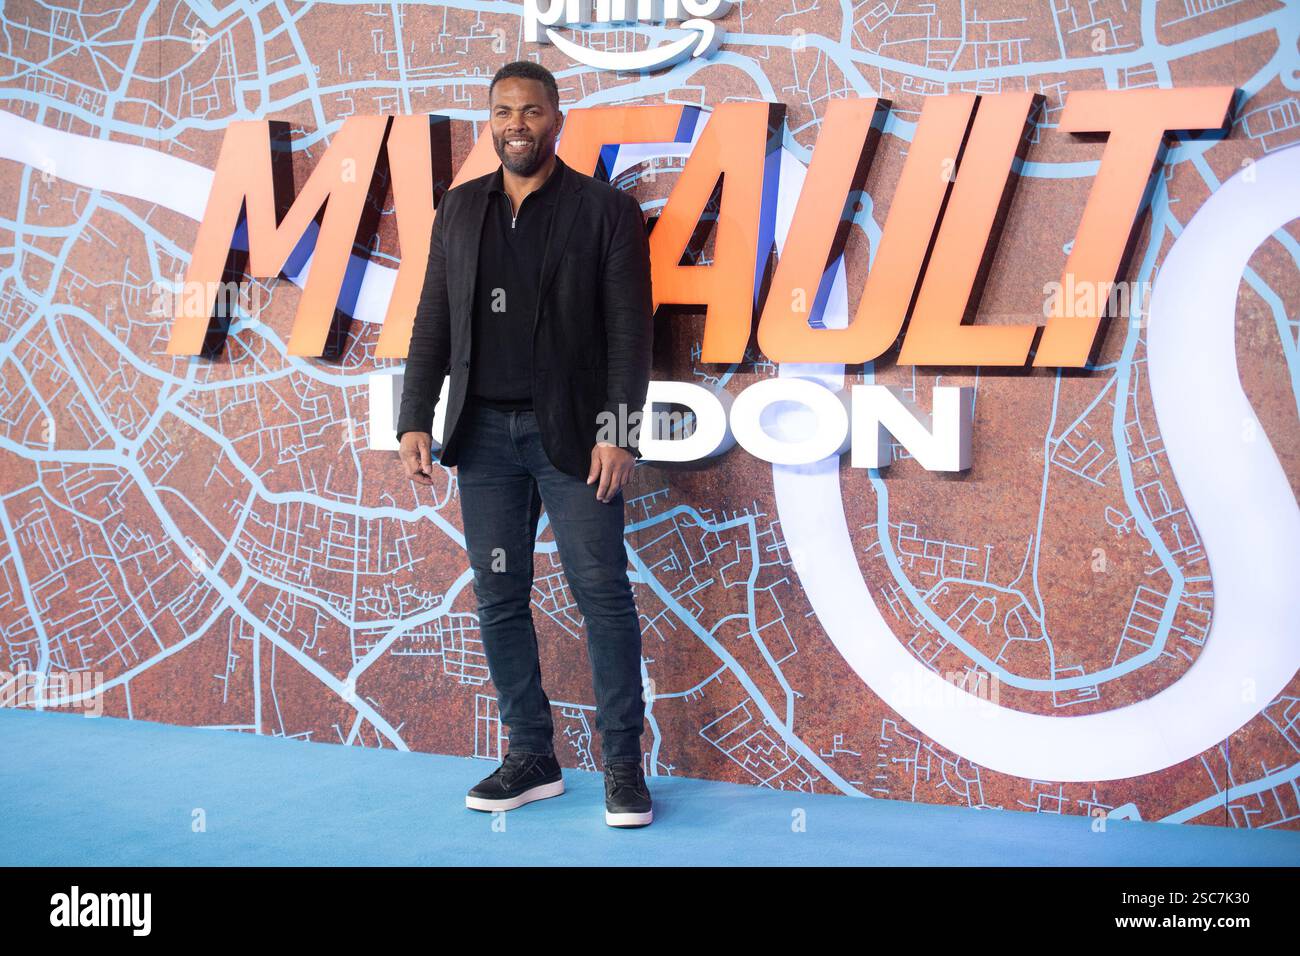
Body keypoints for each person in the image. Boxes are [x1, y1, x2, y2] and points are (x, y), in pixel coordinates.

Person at [395, 61, 655, 827]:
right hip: (482, 441)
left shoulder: (605, 212)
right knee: (500, 597)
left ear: (557, 120)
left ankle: (622, 767)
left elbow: (629, 336)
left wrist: (619, 431)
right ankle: (532, 756)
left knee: (602, 594)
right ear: (491, 121)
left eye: (532, 110)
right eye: (504, 110)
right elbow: (433, 318)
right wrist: (416, 414)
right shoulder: (460, 208)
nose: (518, 123)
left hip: (573, 441)